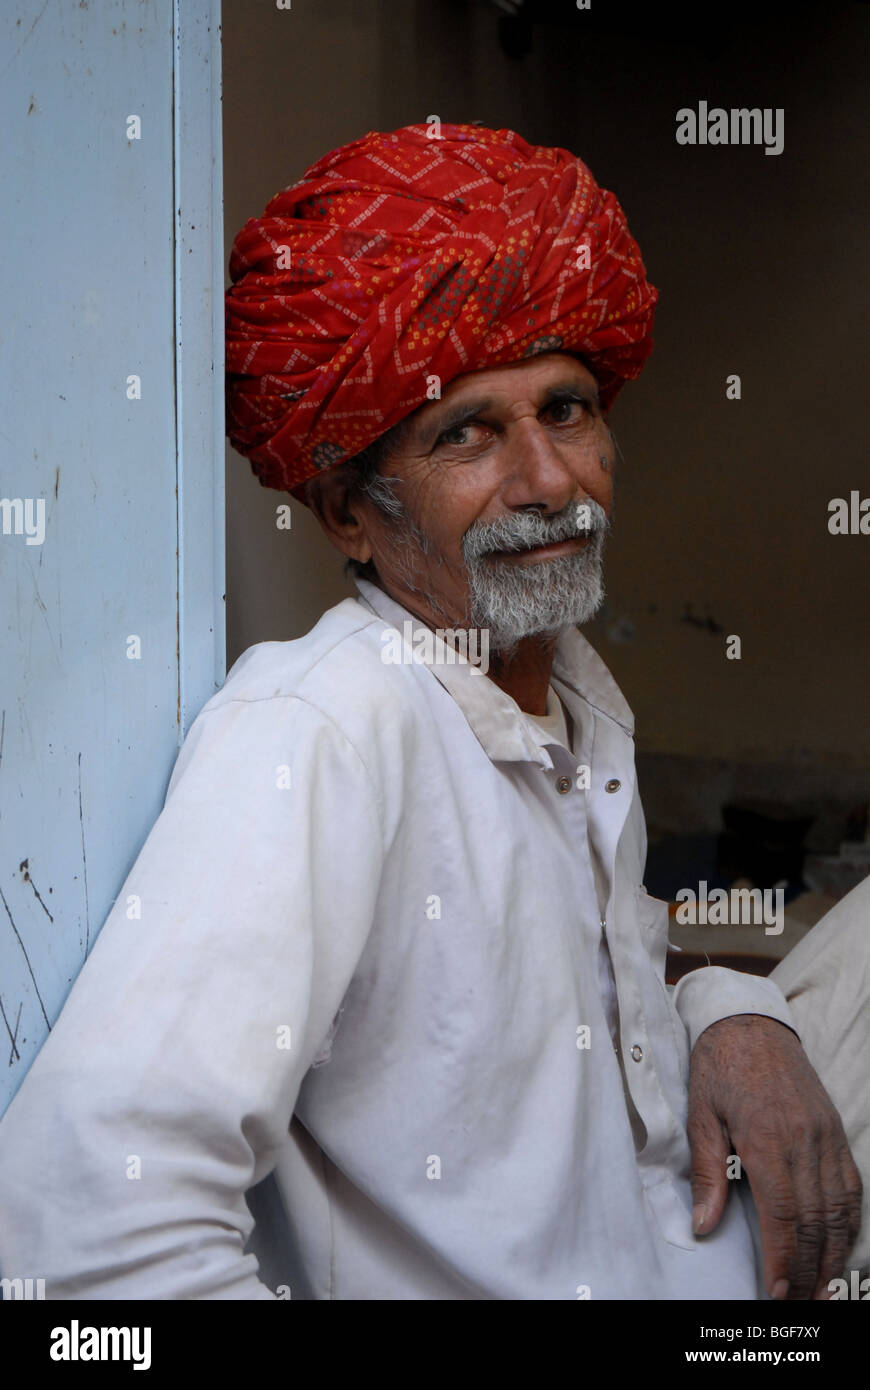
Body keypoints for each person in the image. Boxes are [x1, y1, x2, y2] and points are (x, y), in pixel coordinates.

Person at [0, 122, 863, 1301]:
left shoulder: (566, 695)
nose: (549, 482)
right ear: (351, 516)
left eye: (565, 410)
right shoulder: (322, 730)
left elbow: (591, 999)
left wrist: (725, 1010)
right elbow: (88, 1228)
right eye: (469, 433)